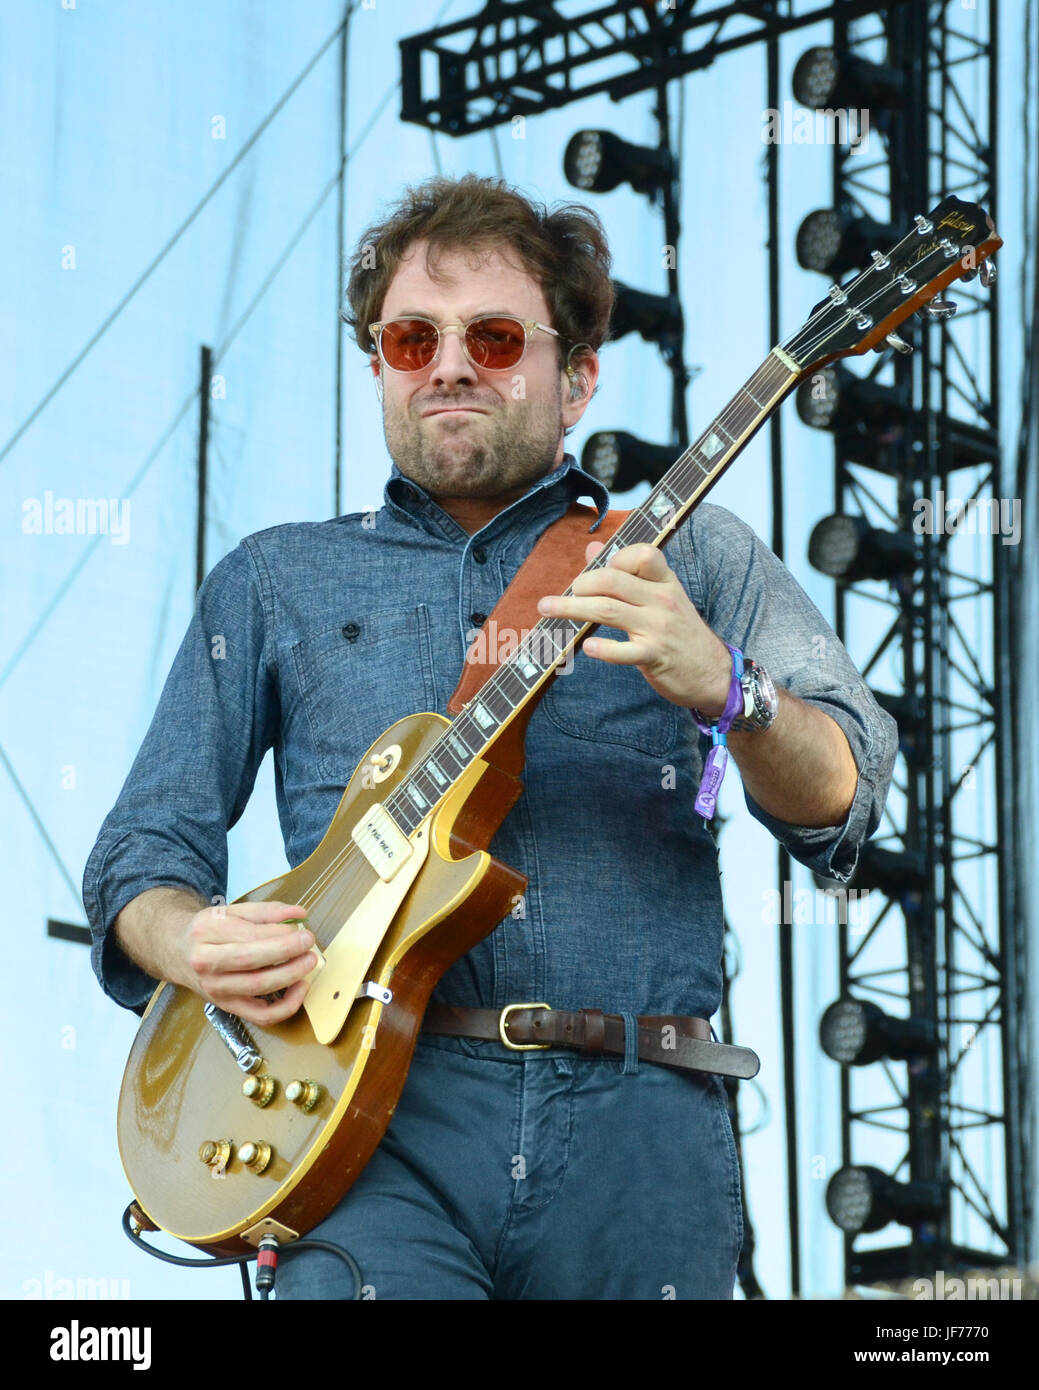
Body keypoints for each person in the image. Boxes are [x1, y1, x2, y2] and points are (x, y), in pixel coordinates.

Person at [83, 173, 898, 1300]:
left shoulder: (694, 557)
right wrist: (188, 942)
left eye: (496, 335)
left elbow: (847, 796)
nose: (450, 363)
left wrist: (724, 688)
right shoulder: (275, 580)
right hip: (362, 1119)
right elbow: (143, 852)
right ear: (378, 367)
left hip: (638, 1121)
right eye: (412, 338)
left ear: (578, 379)